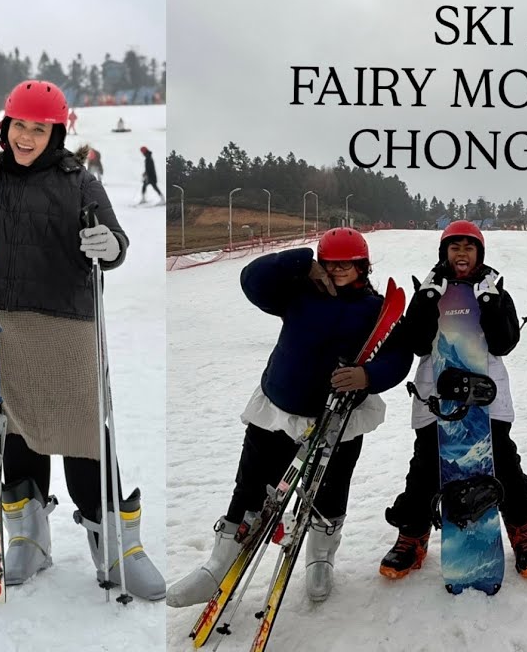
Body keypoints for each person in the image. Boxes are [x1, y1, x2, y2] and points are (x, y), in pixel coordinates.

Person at [0, 80, 165, 599]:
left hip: (68, 324)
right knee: (14, 430)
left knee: (84, 432)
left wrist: (110, 245)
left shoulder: (78, 180)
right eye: (20, 126)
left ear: (56, 133)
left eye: (40, 129)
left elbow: (116, 241)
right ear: (6, 126)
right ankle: (28, 538)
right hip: (4, 320)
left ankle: (117, 546)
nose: (27, 137)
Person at [167, 228, 411, 607]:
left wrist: (368, 376)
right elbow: (252, 280)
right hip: (278, 410)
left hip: (339, 420)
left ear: (363, 266)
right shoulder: (299, 293)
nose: (337, 270)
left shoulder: (374, 308)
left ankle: (320, 557)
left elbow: (398, 356)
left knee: (329, 492)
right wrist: (302, 262)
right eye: (330, 263)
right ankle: (218, 565)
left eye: (346, 263)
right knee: (251, 486)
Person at [377, 221, 527, 582]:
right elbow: (417, 344)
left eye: (469, 247)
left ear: (479, 254)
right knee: (426, 466)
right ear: (444, 252)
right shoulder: (429, 288)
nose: (461, 253)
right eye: (454, 247)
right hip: (436, 393)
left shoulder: (495, 289)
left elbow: (504, 343)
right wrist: (427, 299)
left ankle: (523, 532)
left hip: (487, 395)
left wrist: (490, 302)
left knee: (502, 462)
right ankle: (412, 536)